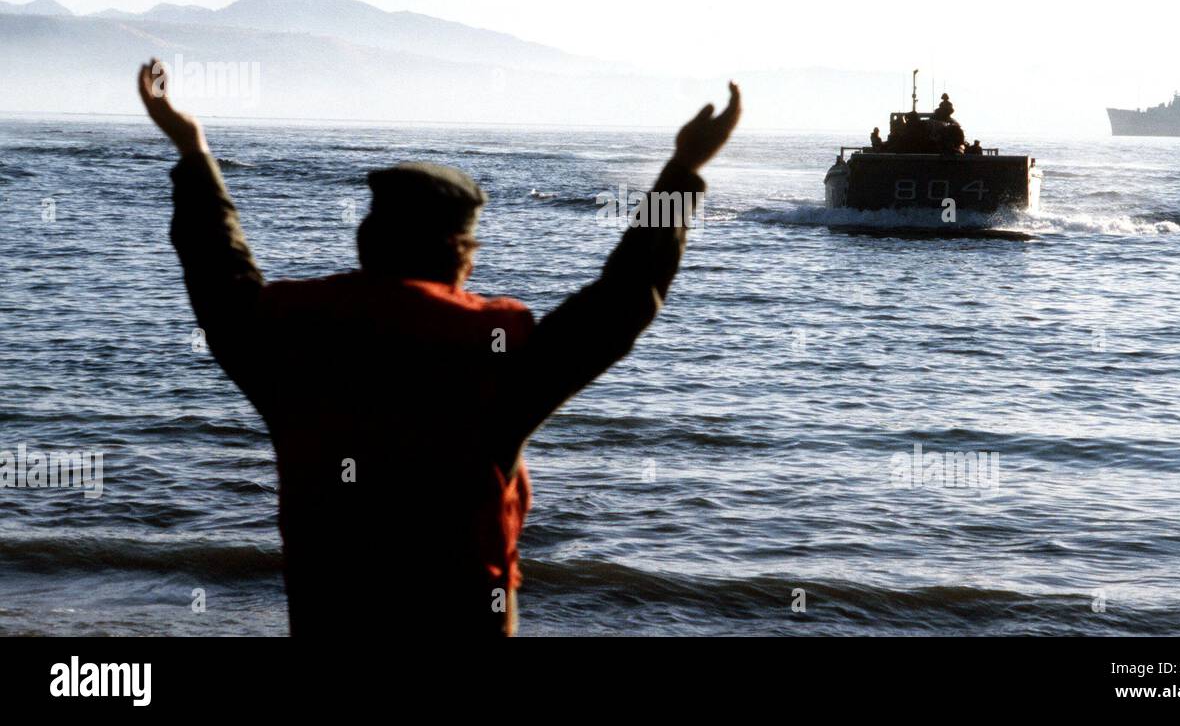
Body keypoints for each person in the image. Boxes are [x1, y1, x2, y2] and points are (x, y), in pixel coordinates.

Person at [137, 58, 741, 638]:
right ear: (461, 255)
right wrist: (684, 169)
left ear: (367, 241)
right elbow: (626, 298)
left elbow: (218, 269)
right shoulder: (494, 353)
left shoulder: (287, 336)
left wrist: (193, 151)